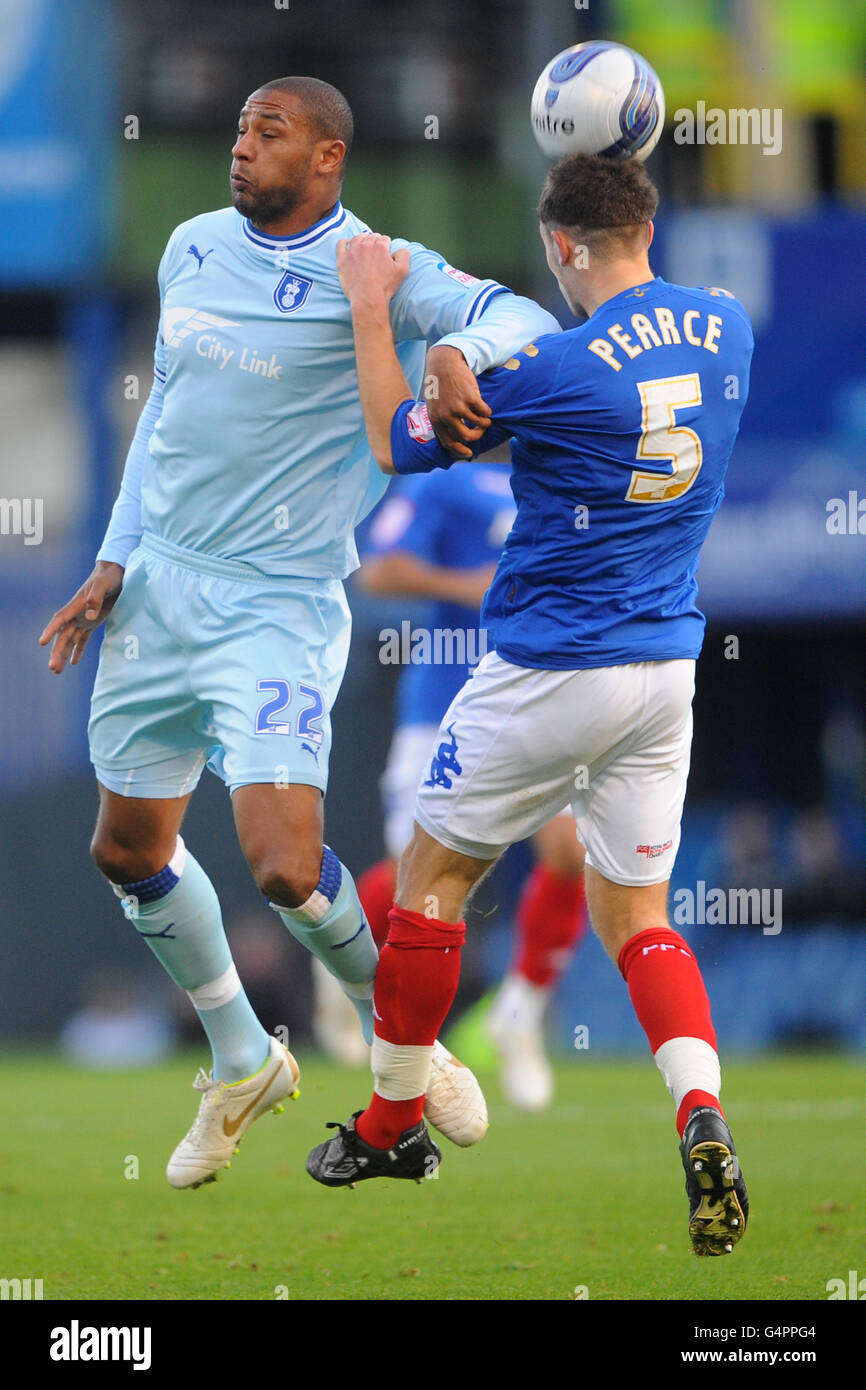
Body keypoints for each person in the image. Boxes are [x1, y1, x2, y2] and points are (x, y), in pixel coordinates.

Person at [38, 76, 559, 1189]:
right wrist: (112, 560)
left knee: (280, 863)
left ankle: (395, 1042)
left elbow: (526, 318)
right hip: (157, 588)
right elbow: (165, 422)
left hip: (273, 598)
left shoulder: (375, 265)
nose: (239, 148)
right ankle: (240, 1060)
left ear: (325, 157)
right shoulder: (188, 246)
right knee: (124, 848)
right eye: (236, 129)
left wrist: (461, 352)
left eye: (266, 133)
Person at [306, 153, 753, 1259]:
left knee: (433, 881)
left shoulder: (554, 367)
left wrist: (379, 317)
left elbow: (393, 442)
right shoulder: (727, 324)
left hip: (547, 666)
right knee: (637, 917)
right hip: (664, 674)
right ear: (645, 221)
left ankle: (392, 1123)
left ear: (558, 248)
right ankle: (699, 1114)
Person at [316, 466, 588, 1108]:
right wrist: (473, 586)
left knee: (572, 853)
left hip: (539, 698)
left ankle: (518, 1015)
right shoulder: (449, 482)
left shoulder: (564, 473)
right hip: (445, 705)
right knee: (420, 876)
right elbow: (378, 570)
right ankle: (337, 951)